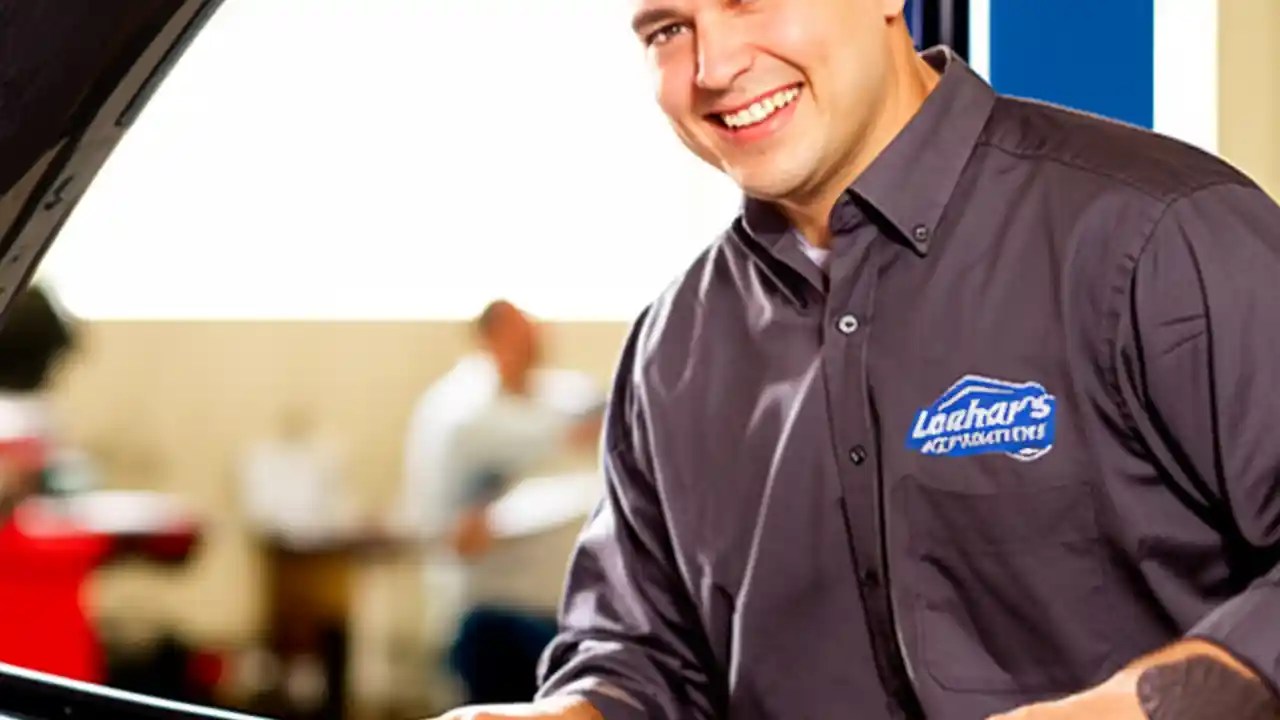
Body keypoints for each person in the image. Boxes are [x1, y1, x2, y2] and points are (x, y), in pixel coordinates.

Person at [429, 2, 1280, 719]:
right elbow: (639, 661)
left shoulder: (1162, 239)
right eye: (666, 31)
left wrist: (1151, 702)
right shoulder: (671, 349)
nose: (715, 65)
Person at [400, 300, 602, 707]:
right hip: (493, 614)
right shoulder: (457, 416)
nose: (531, 345)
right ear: (488, 340)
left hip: (567, 616)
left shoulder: (570, 398)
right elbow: (445, 527)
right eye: (518, 336)